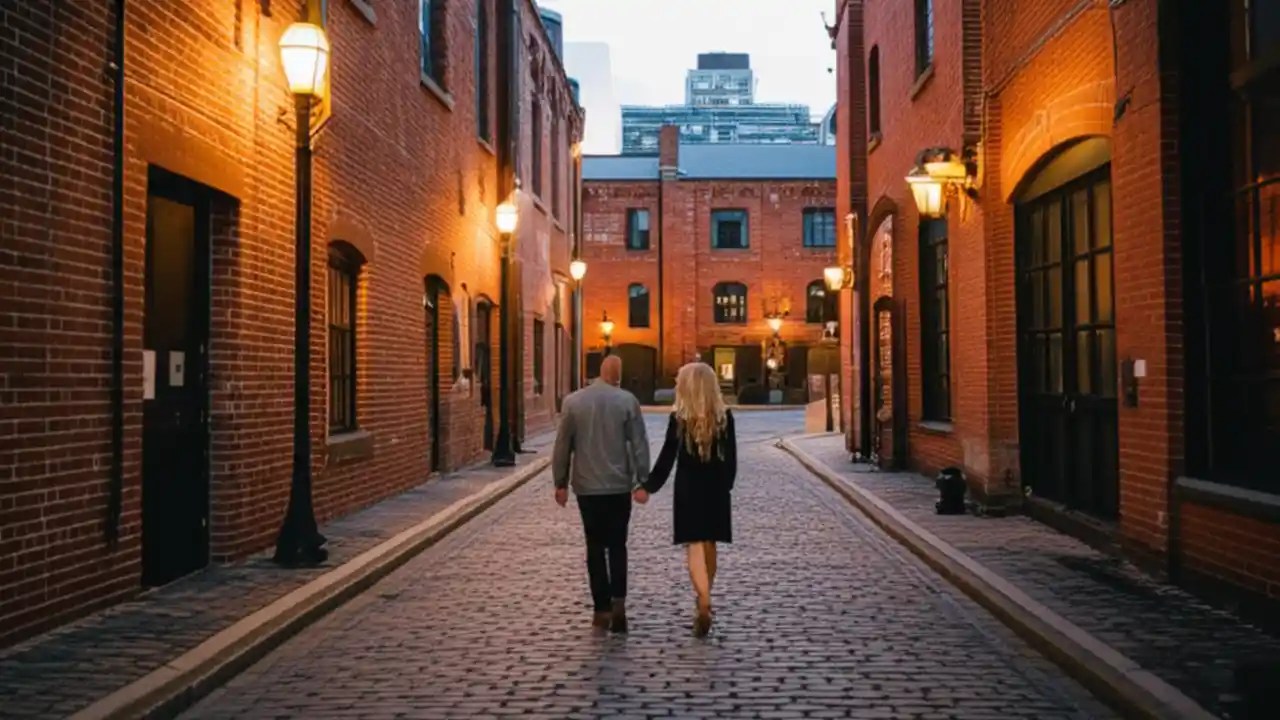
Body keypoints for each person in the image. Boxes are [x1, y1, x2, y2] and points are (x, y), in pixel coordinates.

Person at [634, 362, 737, 637]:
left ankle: (703, 600)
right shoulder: (725, 417)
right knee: (710, 544)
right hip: (715, 487)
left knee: (693, 546)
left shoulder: (679, 418)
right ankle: (705, 598)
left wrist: (648, 487)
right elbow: (731, 460)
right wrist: (725, 486)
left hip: (689, 488)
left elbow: (667, 457)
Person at [551, 355, 649, 634]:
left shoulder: (573, 402)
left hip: (587, 487)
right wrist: (642, 480)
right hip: (618, 485)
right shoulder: (628, 401)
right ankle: (619, 603)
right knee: (618, 545)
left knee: (594, 546)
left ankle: (600, 610)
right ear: (617, 375)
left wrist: (560, 481)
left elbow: (562, 445)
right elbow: (639, 444)